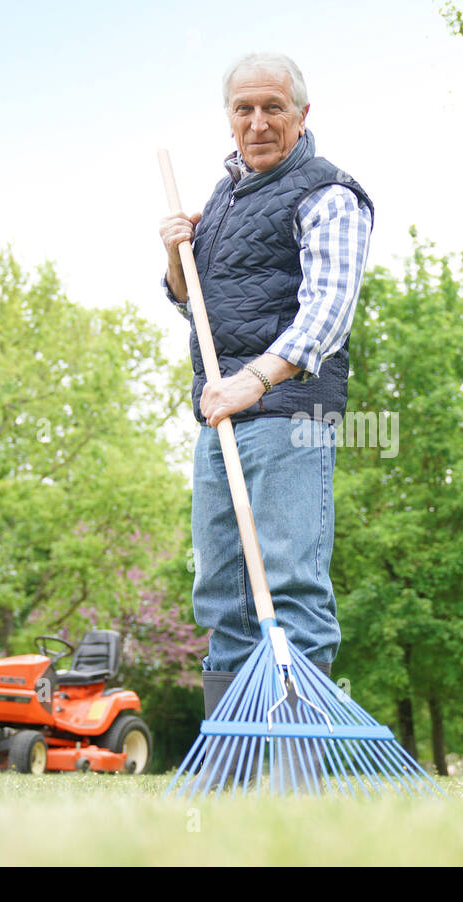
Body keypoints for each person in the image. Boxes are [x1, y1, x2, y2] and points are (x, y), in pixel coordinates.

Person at [158, 52, 374, 721]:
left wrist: (252, 381)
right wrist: (174, 254)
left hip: (289, 412)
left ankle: (299, 758)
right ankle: (234, 755)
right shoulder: (223, 197)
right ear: (229, 120)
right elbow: (191, 302)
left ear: (301, 115)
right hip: (221, 416)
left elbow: (329, 313)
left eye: (272, 108)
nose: (257, 123)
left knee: (288, 581)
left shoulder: (328, 193)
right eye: (243, 110)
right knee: (220, 592)